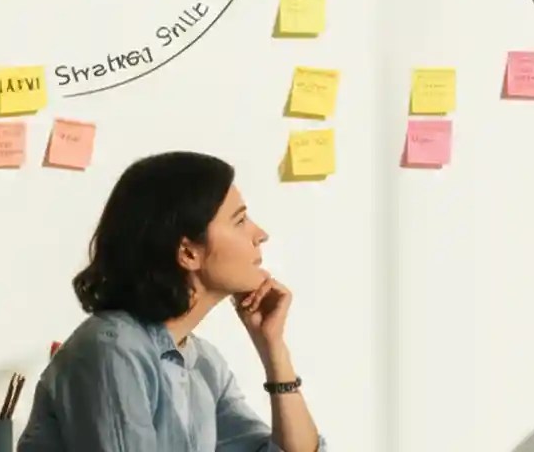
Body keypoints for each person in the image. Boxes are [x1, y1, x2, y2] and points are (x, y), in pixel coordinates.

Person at [17, 151, 328, 452]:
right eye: (240, 220)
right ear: (188, 252)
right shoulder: (112, 350)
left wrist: (273, 349)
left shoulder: (203, 363)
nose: (260, 234)